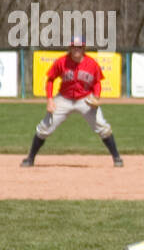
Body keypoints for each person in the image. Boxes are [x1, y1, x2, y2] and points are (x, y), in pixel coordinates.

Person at [21, 38, 122, 167]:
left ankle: (117, 158)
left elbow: (97, 82)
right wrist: (50, 100)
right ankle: (30, 158)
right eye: (74, 46)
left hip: (85, 99)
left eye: (79, 47)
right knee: (44, 128)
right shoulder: (61, 62)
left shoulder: (92, 64)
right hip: (64, 99)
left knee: (103, 127)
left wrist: (96, 97)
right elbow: (50, 80)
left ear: (84, 49)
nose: (76, 49)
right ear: (70, 48)